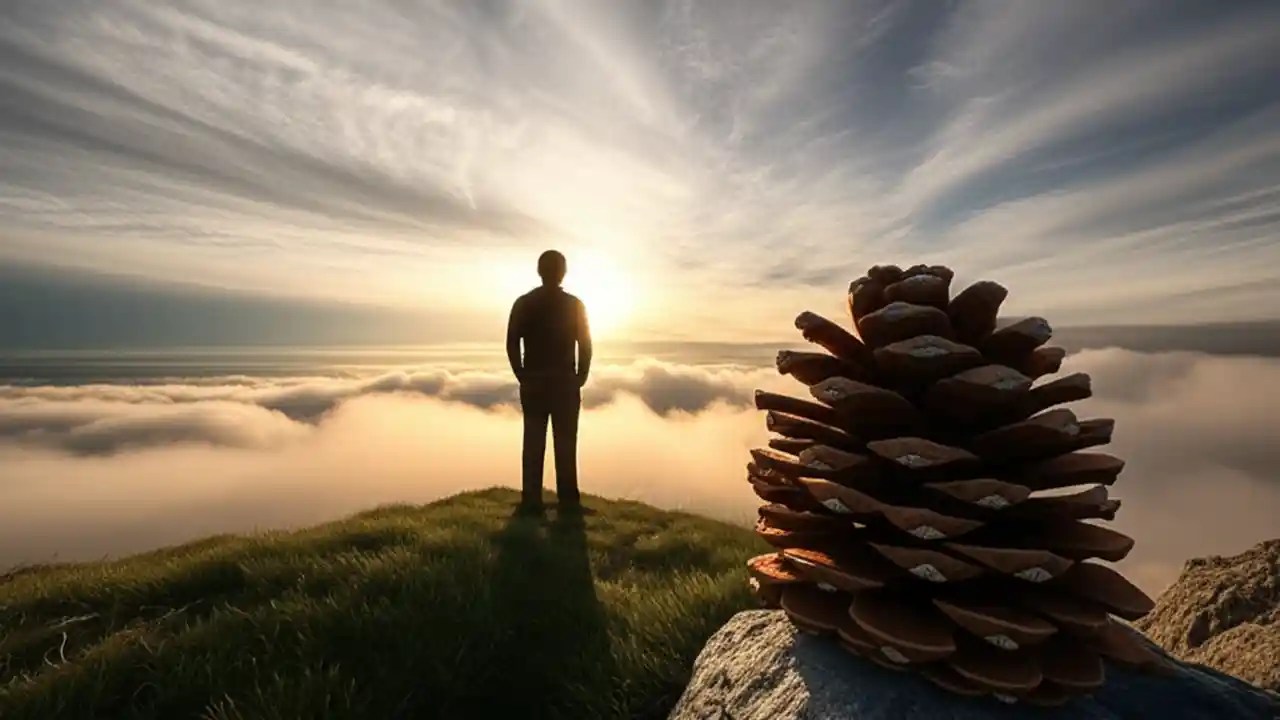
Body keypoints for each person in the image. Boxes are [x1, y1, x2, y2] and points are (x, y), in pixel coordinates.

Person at [506, 250, 592, 513]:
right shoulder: (574, 304)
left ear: (539, 271)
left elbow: (511, 343)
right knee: (566, 443)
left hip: (534, 383)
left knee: (533, 442)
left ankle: (531, 500)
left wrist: (522, 374)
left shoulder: (523, 303)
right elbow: (585, 344)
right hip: (565, 383)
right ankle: (568, 501)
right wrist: (580, 377)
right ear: (563, 272)